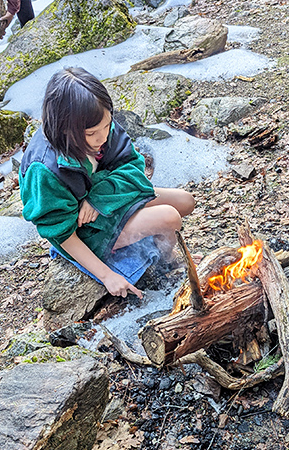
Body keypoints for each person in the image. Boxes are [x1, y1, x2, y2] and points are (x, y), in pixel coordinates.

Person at [19, 67, 196, 298]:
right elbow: (60, 234)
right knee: (169, 218)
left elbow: (133, 166)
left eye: (107, 126)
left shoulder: (100, 122)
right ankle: (165, 262)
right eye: (92, 134)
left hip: (104, 200)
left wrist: (98, 198)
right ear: (66, 129)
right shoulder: (44, 169)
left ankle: (149, 239)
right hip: (82, 227)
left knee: (186, 201)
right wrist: (106, 275)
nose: (103, 138)